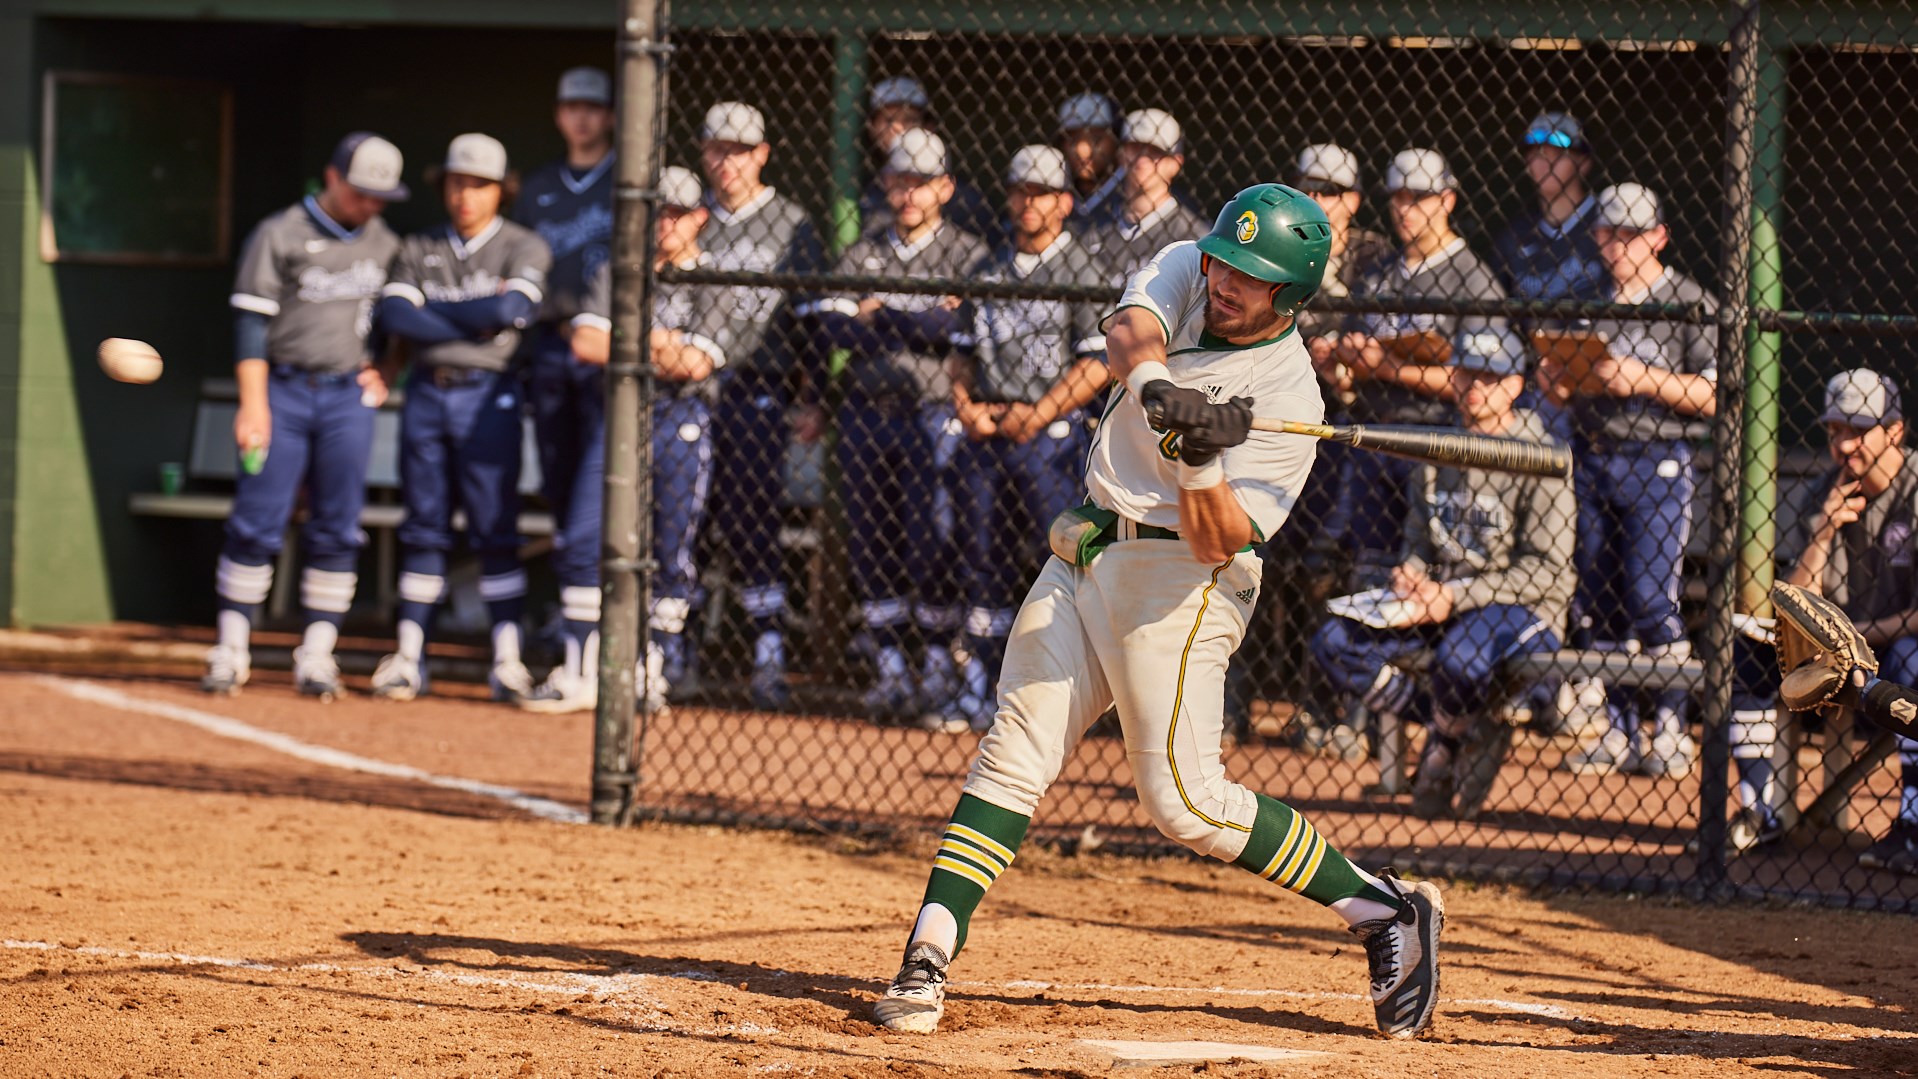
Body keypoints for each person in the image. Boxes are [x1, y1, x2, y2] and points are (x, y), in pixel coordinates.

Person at [870, 184, 1444, 1040]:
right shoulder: (1189, 265)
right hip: (1091, 544)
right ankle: (927, 952)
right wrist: (1159, 393)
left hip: (1184, 581)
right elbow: (1127, 335)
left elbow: (1223, 542)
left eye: (1251, 277)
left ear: (1290, 297)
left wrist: (1202, 462)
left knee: (1183, 801)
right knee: (1015, 748)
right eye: (1225, 260)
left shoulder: (1292, 398)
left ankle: (1383, 909)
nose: (1225, 279)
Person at [1309, 346, 1575, 820]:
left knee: (1460, 662)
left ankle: (1444, 744)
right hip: (1441, 601)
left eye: (1491, 377)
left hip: (1518, 606)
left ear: (1516, 386)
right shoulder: (1438, 448)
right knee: (1333, 642)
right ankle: (1457, 725)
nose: (1476, 386)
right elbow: (1418, 536)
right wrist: (1410, 570)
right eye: (1468, 373)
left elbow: (1547, 571)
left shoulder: (1542, 457)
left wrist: (1455, 595)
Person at [205, 133, 407, 699]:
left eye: (381, 197)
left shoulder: (386, 243)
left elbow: (404, 322)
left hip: (347, 397)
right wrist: (253, 403)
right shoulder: (281, 232)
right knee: (256, 519)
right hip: (283, 391)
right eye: (362, 192)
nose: (370, 205)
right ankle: (231, 647)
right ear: (333, 177)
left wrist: (389, 369)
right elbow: (249, 325)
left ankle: (318, 654)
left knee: (339, 527)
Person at [922, 145, 1108, 734]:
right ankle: (980, 687)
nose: (1028, 202)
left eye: (1041, 192)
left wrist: (1041, 410)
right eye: (1020, 191)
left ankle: (1068, 694)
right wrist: (966, 405)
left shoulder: (1080, 268)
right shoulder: (990, 266)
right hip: (988, 436)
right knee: (981, 558)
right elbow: (962, 351)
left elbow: (1098, 364)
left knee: (1060, 562)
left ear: (1064, 202)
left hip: (1049, 440)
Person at [805, 129, 988, 719]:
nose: (907, 193)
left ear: (945, 187)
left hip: (932, 414)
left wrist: (882, 313)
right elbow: (831, 327)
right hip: (864, 413)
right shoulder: (864, 251)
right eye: (898, 181)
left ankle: (937, 664)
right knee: (869, 536)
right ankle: (890, 667)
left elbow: (951, 331)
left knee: (930, 539)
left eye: (920, 182)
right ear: (884, 185)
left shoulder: (967, 252)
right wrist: (918, 318)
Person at [547, 167, 736, 712]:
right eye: (657, 211)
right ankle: (581, 666)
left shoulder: (714, 277)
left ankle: (653, 665)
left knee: (671, 549)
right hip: (621, 420)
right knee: (585, 537)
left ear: (700, 216)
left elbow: (696, 364)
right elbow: (584, 342)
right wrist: (659, 341)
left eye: (678, 212)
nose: (666, 222)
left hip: (683, 420)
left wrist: (626, 338)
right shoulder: (618, 271)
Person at [371, 134, 550, 703]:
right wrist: (472, 322)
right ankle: (408, 657)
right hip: (427, 392)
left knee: (495, 529)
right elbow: (396, 314)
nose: (465, 196)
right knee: (423, 525)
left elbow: (510, 309)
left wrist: (437, 313)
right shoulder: (419, 244)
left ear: (502, 189)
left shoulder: (524, 245)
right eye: (456, 183)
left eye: (479, 185)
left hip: (489, 394)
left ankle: (507, 660)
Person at [1546, 184, 1717, 778]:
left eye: (1630, 234)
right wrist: (1561, 379)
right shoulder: (1587, 296)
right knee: (1599, 602)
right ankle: (1617, 733)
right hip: (1592, 456)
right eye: (1607, 233)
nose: (1617, 245)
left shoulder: (1689, 299)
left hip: (1658, 460)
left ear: (1659, 237)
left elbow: (1717, 393)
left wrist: (1642, 378)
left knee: (1650, 599)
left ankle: (1670, 731)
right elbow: (1556, 379)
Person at [1728, 370, 1918, 871]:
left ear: (1895, 431)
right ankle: (1760, 809)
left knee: (1910, 659)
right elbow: (1795, 604)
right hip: (1833, 653)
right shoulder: (1822, 494)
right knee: (1745, 654)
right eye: (1834, 430)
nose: (1843, 443)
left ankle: (1915, 823)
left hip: (1892, 646)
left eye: (1857, 429)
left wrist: (1854, 644)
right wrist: (1824, 531)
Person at [697, 101, 828, 709]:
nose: (729, 162)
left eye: (741, 150)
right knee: (688, 519)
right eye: (718, 149)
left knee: (751, 515)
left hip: (759, 388)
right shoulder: (689, 218)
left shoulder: (791, 223)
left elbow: (812, 326)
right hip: (691, 392)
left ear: (762, 154)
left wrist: (814, 397)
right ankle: (680, 641)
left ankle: (767, 648)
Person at [515, 68, 620, 710]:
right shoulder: (540, 188)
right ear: (559, 115)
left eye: (593, 108)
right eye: (571, 107)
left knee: (598, 492)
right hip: (552, 345)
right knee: (561, 488)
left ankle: (603, 631)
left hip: (609, 352)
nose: (581, 118)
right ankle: (574, 614)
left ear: (611, 115)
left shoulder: (627, 180)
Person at [856, 77, 1000, 246]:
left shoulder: (963, 200)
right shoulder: (863, 190)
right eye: (888, 120)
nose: (897, 128)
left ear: (929, 127)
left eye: (908, 119)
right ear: (872, 128)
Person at [1490, 113, 1606, 317]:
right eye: (1537, 154)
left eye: (1558, 155)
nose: (1545, 164)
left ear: (1583, 163)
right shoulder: (1515, 234)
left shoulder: (1606, 223)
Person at [1080, 109, 1210, 285]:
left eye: (1155, 152)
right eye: (1135, 148)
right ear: (1121, 155)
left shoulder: (1192, 236)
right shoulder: (1093, 227)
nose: (1142, 160)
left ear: (1175, 163)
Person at [1056, 92, 1122, 225]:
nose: (1082, 150)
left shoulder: (1131, 198)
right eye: (1072, 139)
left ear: (1116, 141)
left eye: (1096, 139)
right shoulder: (1055, 197)